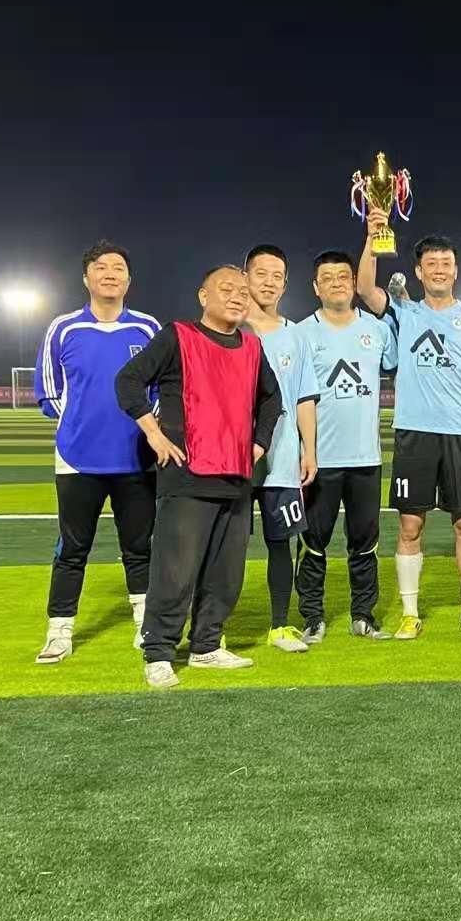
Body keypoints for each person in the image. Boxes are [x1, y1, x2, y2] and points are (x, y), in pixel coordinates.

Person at [115, 265, 283, 688]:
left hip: (237, 476)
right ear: (203, 296)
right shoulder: (178, 336)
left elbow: (272, 397)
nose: (237, 296)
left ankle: (206, 645)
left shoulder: (251, 345)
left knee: (226, 573)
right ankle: (158, 652)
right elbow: (128, 380)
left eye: (243, 291)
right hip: (187, 475)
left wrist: (259, 442)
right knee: (175, 571)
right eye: (226, 289)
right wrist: (153, 433)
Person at [356, 211, 461, 640]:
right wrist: (372, 237)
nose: (439, 269)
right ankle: (410, 613)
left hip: (459, 433)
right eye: (431, 263)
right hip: (414, 432)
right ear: (418, 271)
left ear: (456, 270)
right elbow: (365, 289)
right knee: (410, 525)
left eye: (446, 263)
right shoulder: (404, 312)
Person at [31, 240, 160, 664]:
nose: (110, 273)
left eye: (118, 267)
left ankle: (146, 625)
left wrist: (147, 430)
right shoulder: (64, 328)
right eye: (101, 267)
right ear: (86, 277)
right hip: (77, 459)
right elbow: (49, 391)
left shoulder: (147, 328)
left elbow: (162, 389)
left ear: (129, 279)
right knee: (72, 548)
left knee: (139, 547)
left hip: (136, 459)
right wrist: (81, 425)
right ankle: (59, 631)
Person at [296, 250, 398, 644]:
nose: (336, 282)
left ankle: (363, 616)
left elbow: (400, 362)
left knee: (365, 543)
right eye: (328, 277)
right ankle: (312, 617)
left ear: (354, 282)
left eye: (343, 276)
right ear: (315, 286)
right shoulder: (303, 333)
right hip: (318, 460)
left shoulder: (377, 330)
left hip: (366, 459)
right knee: (313, 543)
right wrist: (305, 450)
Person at [244, 244, 320, 652]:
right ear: (245, 277)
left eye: (277, 276)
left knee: (281, 543)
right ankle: (213, 628)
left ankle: (280, 625)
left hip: (283, 455)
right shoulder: (229, 330)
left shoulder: (297, 336)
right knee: (226, 545)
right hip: (234, 456)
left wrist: (310, 450)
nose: (269, 282)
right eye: (261, 273)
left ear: (286, 284)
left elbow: (305, 398)